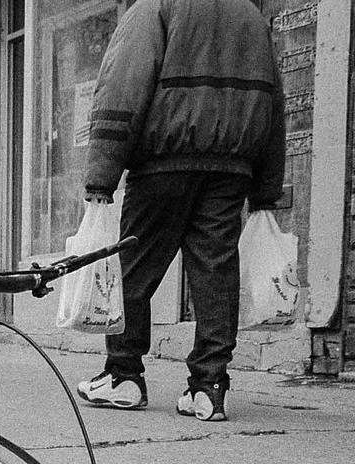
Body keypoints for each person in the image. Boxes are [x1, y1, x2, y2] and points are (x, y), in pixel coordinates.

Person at [75, 0, 285, 423]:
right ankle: (209, 387)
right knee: (215, 273)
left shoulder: (155, 7)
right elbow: (273, 103)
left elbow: (123, 86)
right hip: (230, 165)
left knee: (134, 268)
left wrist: (102, 174)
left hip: (163, 160)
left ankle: (123, 377)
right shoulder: (250, 16)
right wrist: (265, 189)